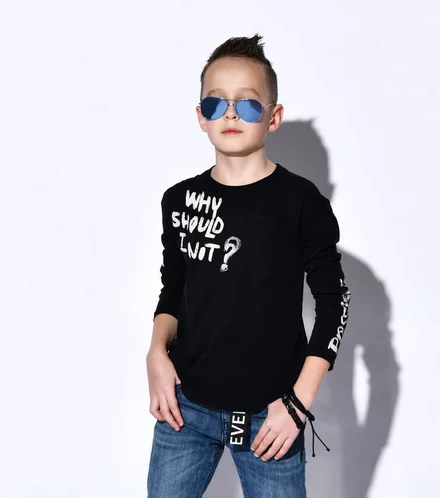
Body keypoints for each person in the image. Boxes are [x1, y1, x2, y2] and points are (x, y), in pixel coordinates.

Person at [145, 34, 351, 498]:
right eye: (215, 104)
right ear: (200, 117)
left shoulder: (301, 203)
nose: (231, 113)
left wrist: (298, 403)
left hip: (271, 419)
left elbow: (335, 301)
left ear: (273, 117)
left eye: (249, 104)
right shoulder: (178, 200)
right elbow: (172, 289)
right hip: (185, 414)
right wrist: (156, 353)